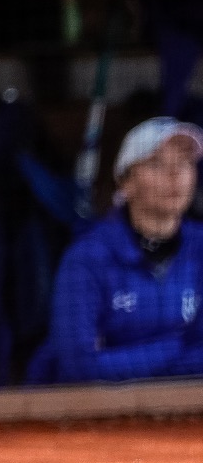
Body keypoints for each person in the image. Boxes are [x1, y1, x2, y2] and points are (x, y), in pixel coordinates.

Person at [34, 117, 203, 382]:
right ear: (126, 183)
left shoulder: (200, 246)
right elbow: (80, 368)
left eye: (184, 162)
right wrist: (179, 345)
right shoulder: (86, 258)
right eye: (156, 163)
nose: (175, 175)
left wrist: (115, 358)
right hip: (93, 418)